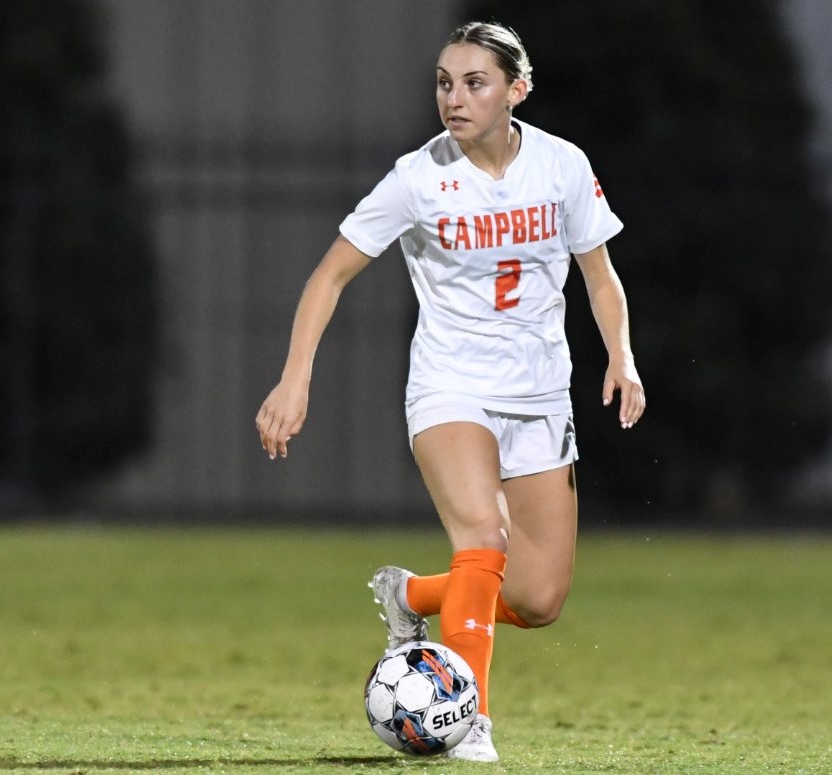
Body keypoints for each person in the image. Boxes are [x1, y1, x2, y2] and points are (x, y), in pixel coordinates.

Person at [255, 21, 645, 762]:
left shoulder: (561, 166)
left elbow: (599, 273)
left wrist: (621, 357)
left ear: (516, 90)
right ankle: (471, 722)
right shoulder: (417, 177)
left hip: (539, 396)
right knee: (483, 541)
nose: (454, 97)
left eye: (474, 82)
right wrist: (294, 375)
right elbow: (330, 273)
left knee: (537, 599)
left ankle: (415, 597)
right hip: (450, 387)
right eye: (443, 81)